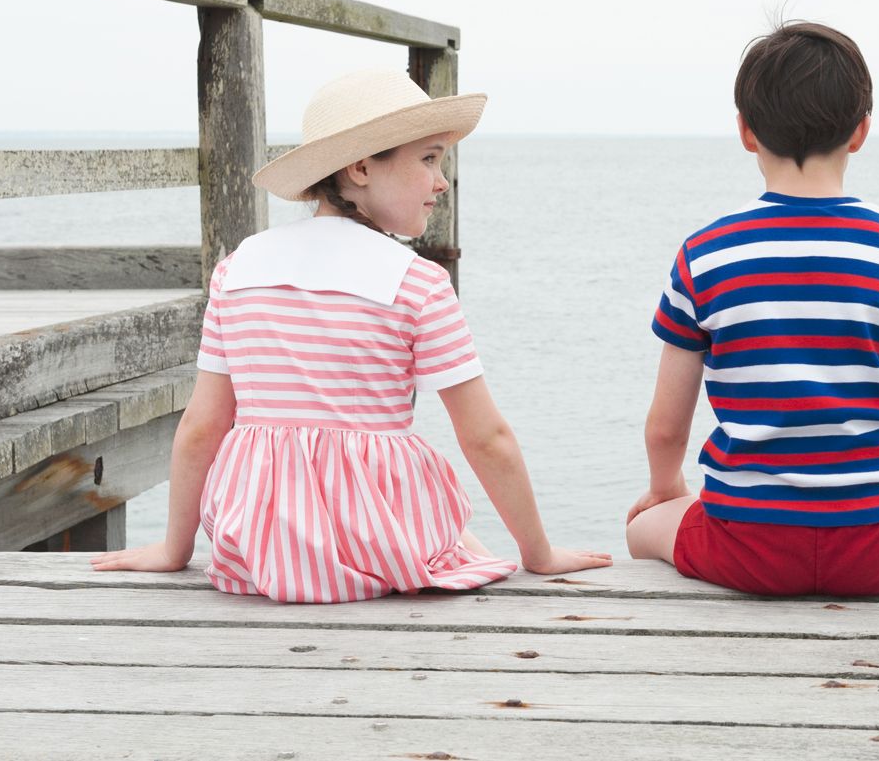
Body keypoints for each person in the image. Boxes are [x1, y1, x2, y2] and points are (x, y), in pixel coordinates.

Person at [93, 69, 611, 601]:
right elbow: (486, 438)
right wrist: (539, 554)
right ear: (361, 168)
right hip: (377, 545)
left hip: (258, 552)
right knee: (464, 541)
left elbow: (203, 425)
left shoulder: (238, 268)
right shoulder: (417, 283)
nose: (442, 181)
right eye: (429, 158)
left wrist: (173, 551)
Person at [625, 22, 879, 596]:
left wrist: (665, 490)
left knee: (640, 531)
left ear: (746, 131)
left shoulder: (704, 255)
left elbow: (664, 427)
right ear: (860, 132)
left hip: (746, 548)